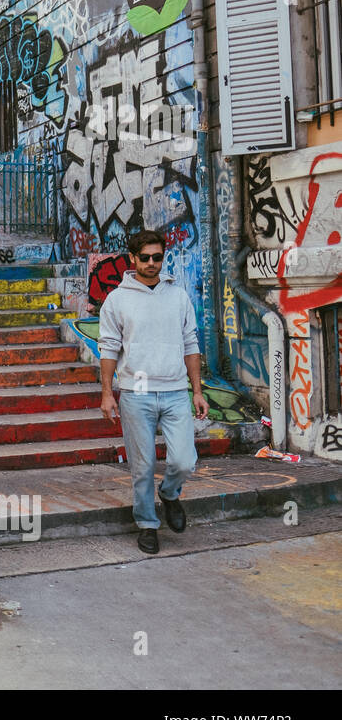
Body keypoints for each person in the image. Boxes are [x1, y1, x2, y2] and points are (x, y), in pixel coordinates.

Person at [98, 230, 210, 555]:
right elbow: (108, 348)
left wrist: (197, 391)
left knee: (184, 460)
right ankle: (147, 524)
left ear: (164, 257)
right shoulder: (117, 300)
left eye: (157, 257)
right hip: (136, 393)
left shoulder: (178, 296)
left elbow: (191, 343)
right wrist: (108, 393)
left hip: (175, 391)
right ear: (132, 259)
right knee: (142, 466)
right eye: (144, 257)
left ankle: (171, 494)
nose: (151, 263)